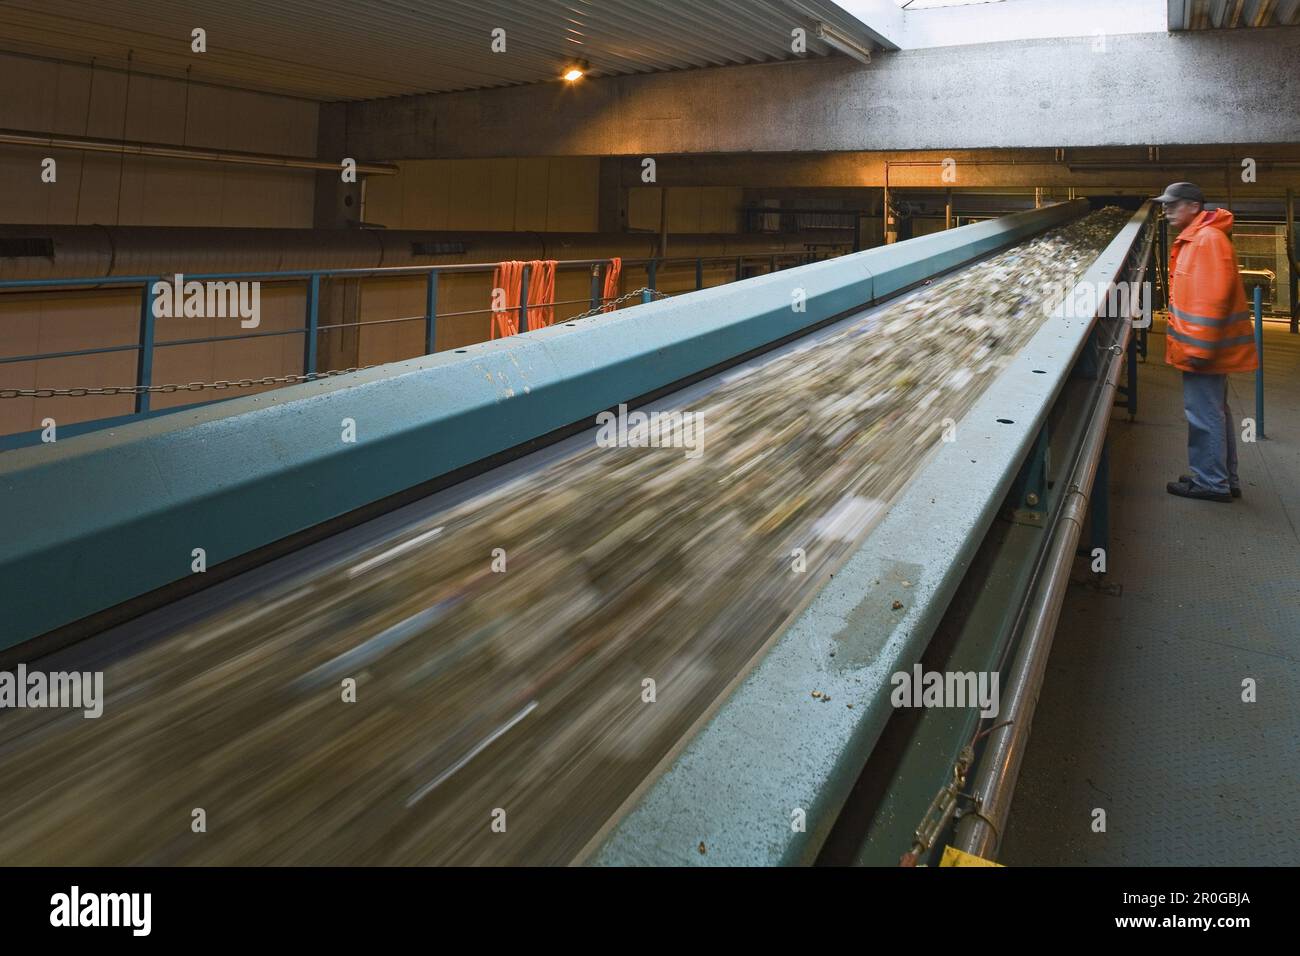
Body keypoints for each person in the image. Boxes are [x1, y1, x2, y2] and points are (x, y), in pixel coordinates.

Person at [1154, 182, 1259, 502]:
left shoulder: (1207, 240)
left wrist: (1198, 348)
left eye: (1173, 205)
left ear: (1194, 207)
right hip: (1205, 348)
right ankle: (1223, 477)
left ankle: (1211, 482)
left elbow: (1212, 298)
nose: (1166, 210)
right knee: (1215, 411)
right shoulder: (1197, 238)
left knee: (1204, 415)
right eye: (1165, 205)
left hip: (1203, 350)